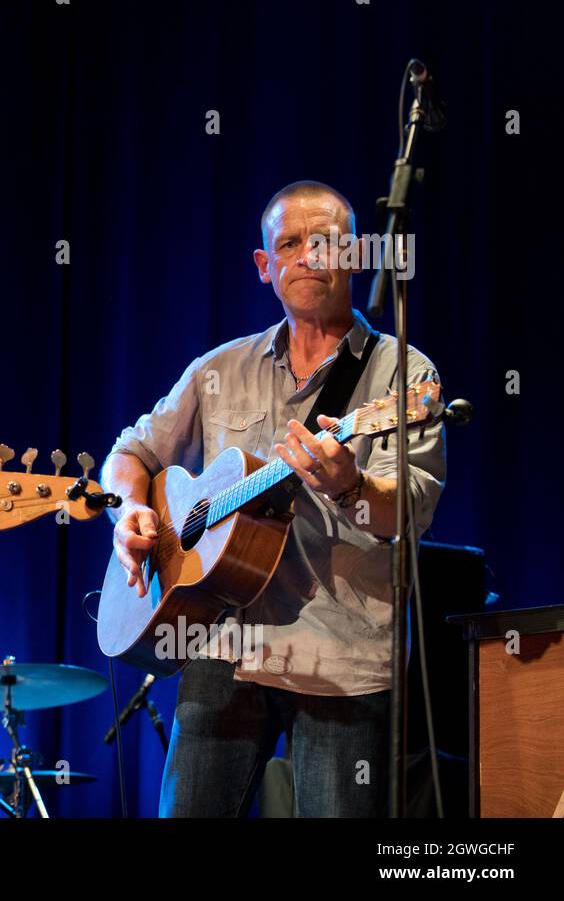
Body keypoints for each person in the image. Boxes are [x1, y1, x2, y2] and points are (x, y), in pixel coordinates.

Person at [100, 180, 445, 817]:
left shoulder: (403, 375)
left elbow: (411, 510)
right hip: (221, 646)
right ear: (266, 266)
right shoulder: (219, 368)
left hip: (341, 663)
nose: (308, 256)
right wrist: (128, 511)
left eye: (326, 243)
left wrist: (349, 484)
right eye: (290, 244)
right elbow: (130, 454)